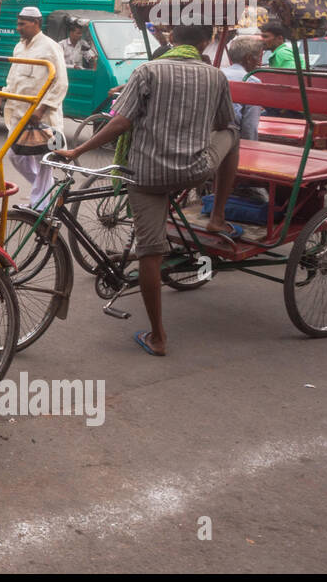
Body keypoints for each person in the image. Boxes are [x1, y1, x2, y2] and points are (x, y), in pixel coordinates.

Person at [55, 23, 240, 357]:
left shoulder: (147, 71)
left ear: (171, 39)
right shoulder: (217, 77)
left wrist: (77, 151)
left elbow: (120, 122)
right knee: (232, 133)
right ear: (206, 41)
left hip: (146, 175)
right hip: (193, 172)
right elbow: (222, 123)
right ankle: (217, 216)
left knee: (149, 253)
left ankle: (159, 336)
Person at [3, 6, 69, 207]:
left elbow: (61, 82)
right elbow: (13, 77)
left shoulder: (50, 47)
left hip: (43, 117)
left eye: (23, 24)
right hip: (19, 115)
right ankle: (46, 190)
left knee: (44, 162)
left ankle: (39, 207)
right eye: (18, 23)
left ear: (36, 23)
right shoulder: (19, 47)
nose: (18, 28)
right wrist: (2, 97)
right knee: (14, 156)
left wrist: (42, 109)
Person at [221, 35, 263, 141]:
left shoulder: (217, 73)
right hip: (232, 137)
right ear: (249, 58)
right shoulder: (252, 82)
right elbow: (250, 126)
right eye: (258, 57)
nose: (259, 63)